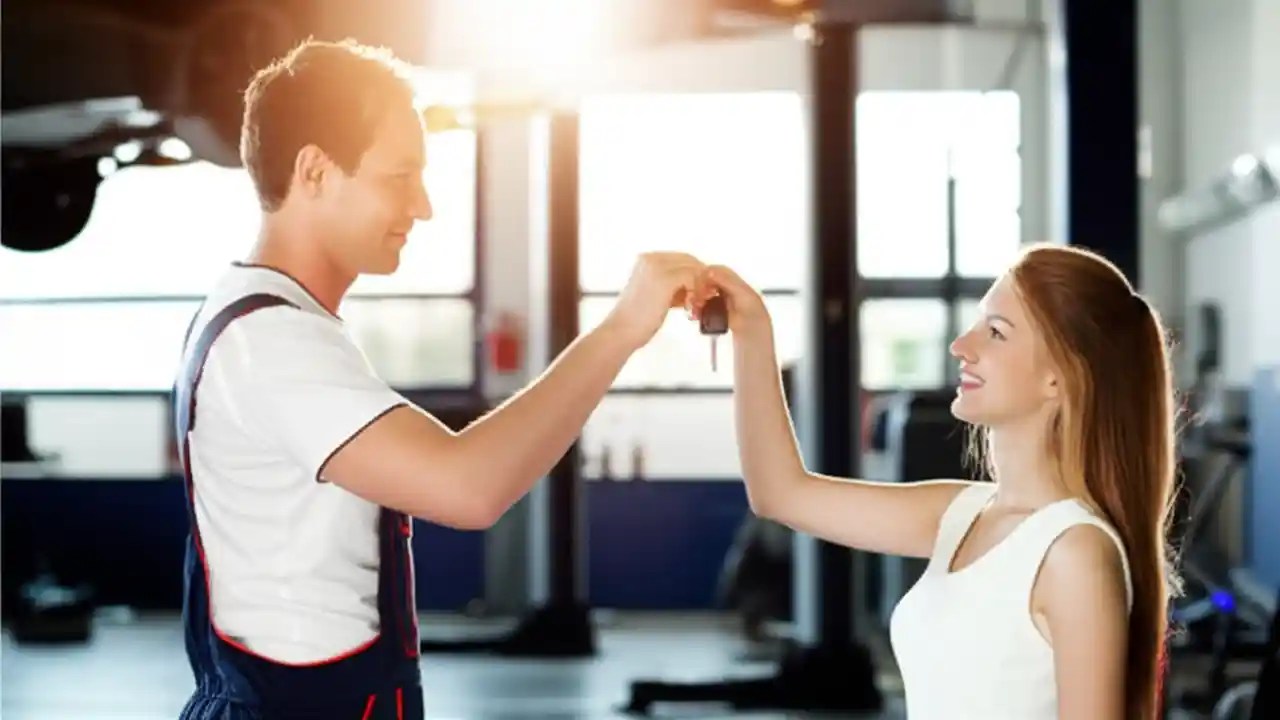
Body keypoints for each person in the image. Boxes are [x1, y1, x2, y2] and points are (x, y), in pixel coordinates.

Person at [173, 39, 709, 719]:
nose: (422, 206)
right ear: (314, 172)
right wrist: (620, 331)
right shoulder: (272, 341)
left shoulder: (271, 322)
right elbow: (468, 488)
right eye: (399, 177)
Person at [698, 243, 1180, 719]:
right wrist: (752, 329)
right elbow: (780, 494)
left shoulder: (1074, 552)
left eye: (995, 332)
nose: (961, 346)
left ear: (1059, 377)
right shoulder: (962, 514)